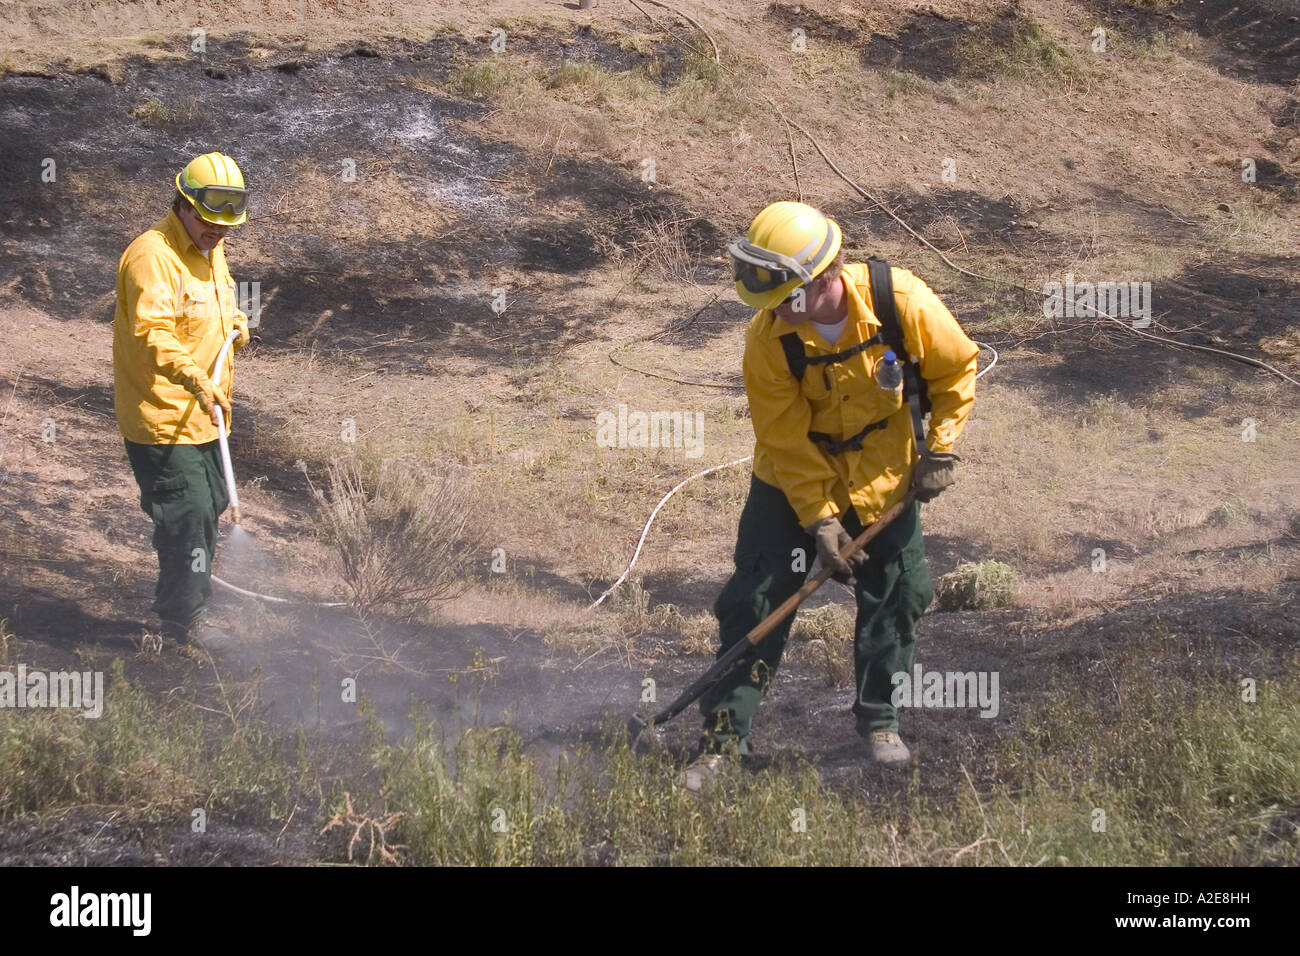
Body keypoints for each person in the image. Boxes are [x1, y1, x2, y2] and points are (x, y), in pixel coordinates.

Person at [684, 201, 978, 789]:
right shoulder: (769, 338)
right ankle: (722, 742)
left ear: (821, 283)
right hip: (788, 484)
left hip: (885, 479)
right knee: (756, 601)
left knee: (898, 595)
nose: (771, 315)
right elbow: (784, 439)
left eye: (782, 299)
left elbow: (956, 370)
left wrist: (941, 449)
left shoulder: (904, 303)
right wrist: (819, 521)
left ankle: (879, 722)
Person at [112, 152, 251, 645]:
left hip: (207, 416)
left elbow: (219, 298)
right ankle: (182, 622)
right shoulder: (152, 256)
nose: (219, 233)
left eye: (227, 226)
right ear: (184, 204)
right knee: (188, 511)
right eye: (209, 222)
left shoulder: (211, 248)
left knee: (209, 503)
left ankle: (187, 598)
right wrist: (195, 378)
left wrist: (234, 322)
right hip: (162, 416)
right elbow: (153, 332)